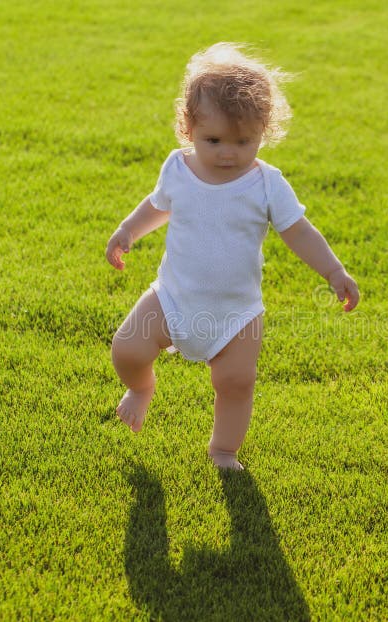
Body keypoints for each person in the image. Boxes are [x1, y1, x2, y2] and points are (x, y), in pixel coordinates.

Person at [106, 42, 360, 470]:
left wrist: (333, 270)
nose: (229, 153)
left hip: (236, 313)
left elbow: (297, 230)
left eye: (244, 141)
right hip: (173, 298)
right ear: (188, 130)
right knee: (127, 349)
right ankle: (140, 388)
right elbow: (159, 205)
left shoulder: (266, 183)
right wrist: (129, 230)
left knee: (236, 383)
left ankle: (223, 449)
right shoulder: (178, 169)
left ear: (264, 132)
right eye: (214, 140)